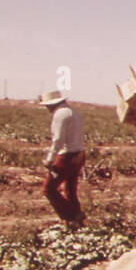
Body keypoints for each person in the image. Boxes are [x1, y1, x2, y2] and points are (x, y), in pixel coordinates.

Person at [39, 90, 86, 225]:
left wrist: (50, 159)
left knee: (48, 189)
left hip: (67, 156)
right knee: (70, 190)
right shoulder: (73, 112)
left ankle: (73, 215)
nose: (47, 108)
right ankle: (76, 224)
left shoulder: (59, 114)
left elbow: (58, 139)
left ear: (52, 104)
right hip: (80, 154)